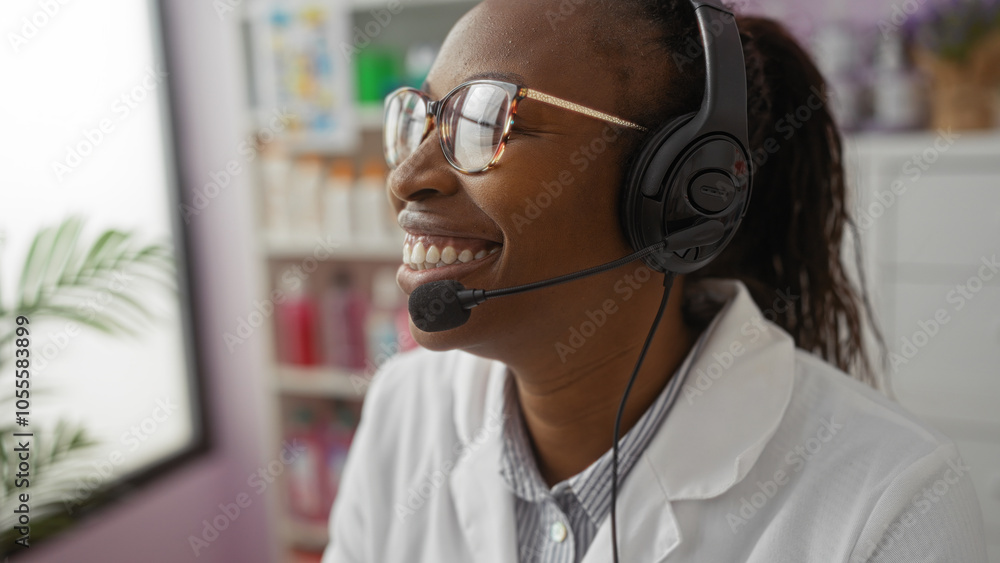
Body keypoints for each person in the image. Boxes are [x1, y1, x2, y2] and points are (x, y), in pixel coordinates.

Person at [322, 0, 989, 561]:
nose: (407, 177)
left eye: (485, 120)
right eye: (418, 120)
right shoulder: (403, 408)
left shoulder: (895, 505)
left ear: (676, 190)